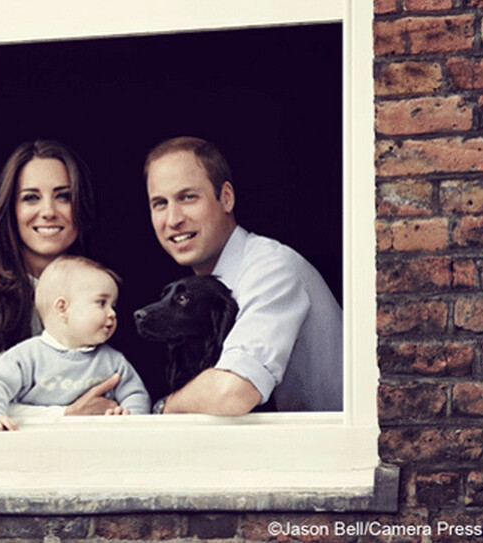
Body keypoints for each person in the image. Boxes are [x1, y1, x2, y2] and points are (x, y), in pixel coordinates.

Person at [143, 136, 342, 414]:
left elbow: (232, 393)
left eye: (188, 197)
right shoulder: (203, 292)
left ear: (226, 197)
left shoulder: (272, 268)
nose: (173, 219)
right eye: (160, 204)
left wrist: (165, 408)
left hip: (331, 454)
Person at [0, 140, 123, 418]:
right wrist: (63, 415)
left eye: (64, 196)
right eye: (31, 197)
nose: (48, 211)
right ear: (10, 208)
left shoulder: (100, 286)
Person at [0, 256, 150, 431]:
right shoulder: (27, 356)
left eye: (113, 305)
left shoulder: (113, 361)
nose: (112, 313)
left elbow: (136, 394)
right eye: (101, 303)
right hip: (37, 445)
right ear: (62, 308)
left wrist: (129, 418)